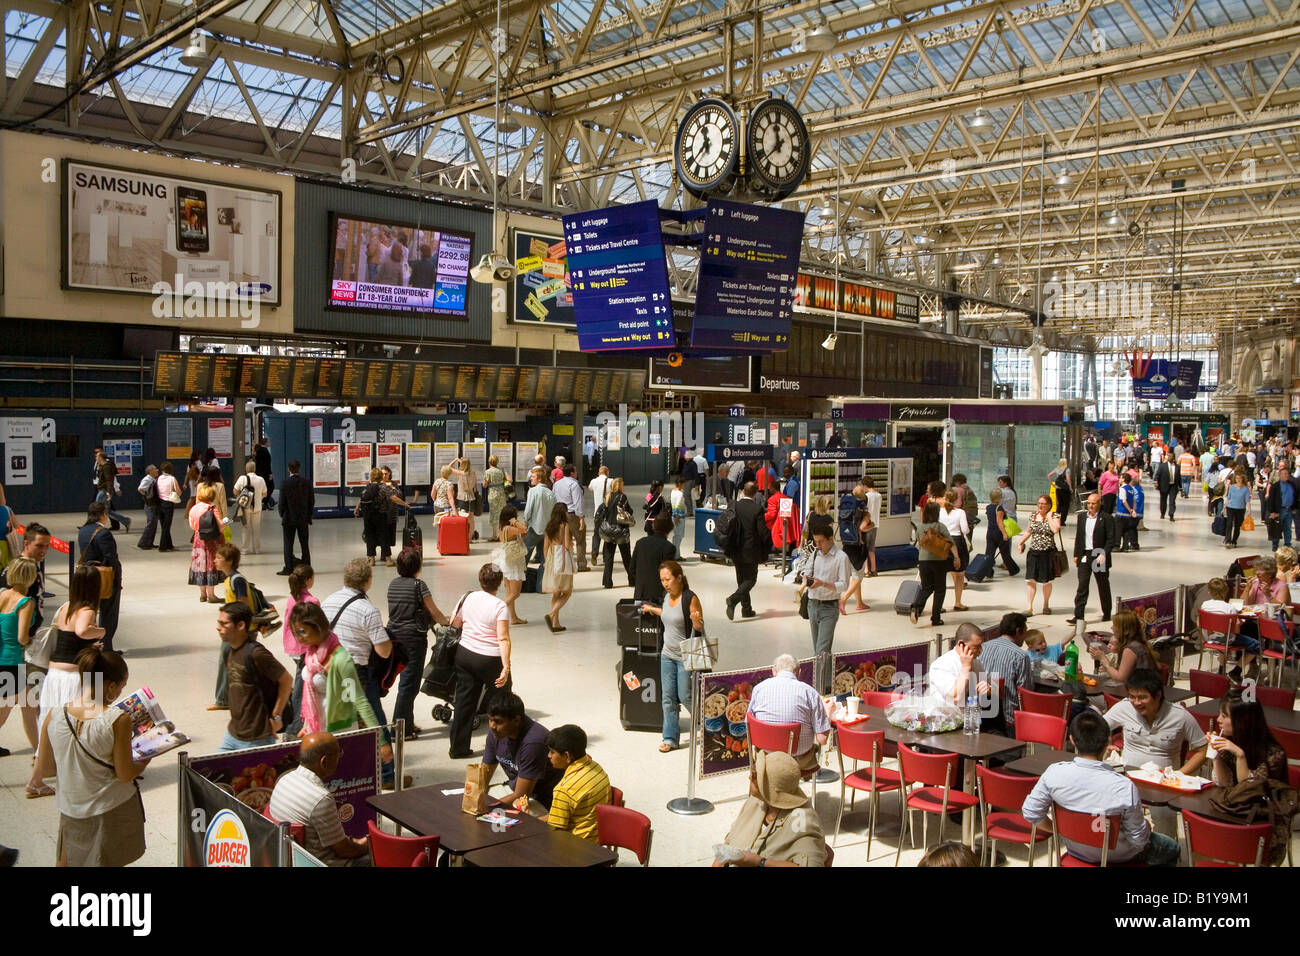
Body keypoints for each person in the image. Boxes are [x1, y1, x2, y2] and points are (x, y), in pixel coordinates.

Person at [1021, 710, 1180, 866]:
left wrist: (1059, 830)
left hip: (1075, 849)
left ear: (1072, 740)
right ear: (1107, 742)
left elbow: (1030, 812)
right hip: (1119, 856)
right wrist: (1146, 827)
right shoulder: (1124, 786)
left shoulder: (1053, 773)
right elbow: (1139, 841)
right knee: (1171, 847)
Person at [37, 647, 148, 866]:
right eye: (122, 686)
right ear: (111, 686)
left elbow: (47, 769)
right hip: (109, 809)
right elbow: (125, 774)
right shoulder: (118, 720)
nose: (121, 692)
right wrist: (145, 759)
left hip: (70, 808)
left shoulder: (55, 714)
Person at [321, 559, 401, 786]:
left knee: (339, 720)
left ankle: (340, 772)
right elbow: (384, 651)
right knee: (373, 716)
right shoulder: (368, 610)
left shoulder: (327, 602)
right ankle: (386, 775)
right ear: (368, 581)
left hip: (330, 669)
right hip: (357, 672)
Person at [27, 566, 105, 799]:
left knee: (48, 726)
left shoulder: (65, 608)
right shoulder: (88, 610)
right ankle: (78, 777)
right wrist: (100, 631)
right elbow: (81, 631)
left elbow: (71, 637)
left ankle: (37, 780)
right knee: (78, 725)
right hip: (73, 677)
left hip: (54, 675)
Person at [268, 731, 372, 866]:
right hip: (316, 862)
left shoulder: (284, 779)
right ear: (324, 761)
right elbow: (344, 850)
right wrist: (368, 848)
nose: (339, 758)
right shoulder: (320, 799)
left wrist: (352, 842)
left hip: (289, 857)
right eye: (338, 754)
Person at [1208, 697, 1289, 865]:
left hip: (1264, 822)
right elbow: (1224, 784)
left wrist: (1240, 756)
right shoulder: (1230, 743)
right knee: (1206, 833)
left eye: (1224, 716)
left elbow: (1249, 791)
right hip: (1233, 812)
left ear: (1242, 721)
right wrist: (1215, 755)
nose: (1218, 720)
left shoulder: (1274, 754)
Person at [286, 602, 381, 739]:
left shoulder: (341, 659)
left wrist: (381, 740)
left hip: (339, 732)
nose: (298, 638)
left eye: (302, 631)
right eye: (295, 633)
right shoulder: (311, 655)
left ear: (317, 626)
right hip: (316, 729)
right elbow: (312, 697)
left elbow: (360, 700)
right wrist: (307, 726)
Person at [714, 751, 825, 867]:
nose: (750, 777)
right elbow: (731, 839)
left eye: (756, 776)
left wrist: (760, 862)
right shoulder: (756, 800)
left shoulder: (803, 822)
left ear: (770, 787)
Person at [448, 563, 513, 759]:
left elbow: (454, 622)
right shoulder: (500, 606)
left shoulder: (467, 597)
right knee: (502, 700)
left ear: (480, 579)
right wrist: (506, 667)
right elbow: (503, 638)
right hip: (489, 659)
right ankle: (503, 745)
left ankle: (458, 748)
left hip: (465, 654)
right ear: (499, 583)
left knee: (464, 702)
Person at [640, 560, 703, 753]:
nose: (665, 583)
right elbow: (667, 614)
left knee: (685, 696)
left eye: (668, 579)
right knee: (667, 698)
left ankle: (709, 725)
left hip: (685, 657)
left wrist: (697, 622)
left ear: (679, 577)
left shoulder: (690, 598)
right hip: (667, 655)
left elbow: (699, 628)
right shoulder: (666, 597)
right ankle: (670, 738)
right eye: (662, 580)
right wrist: (652, 609)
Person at [387, 548, 449, 740]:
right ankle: (399, 730)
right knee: (409, 686)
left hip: (393, 638)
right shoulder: (419, 585)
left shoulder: (393, 584)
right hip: (412, 640)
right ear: (418, 566)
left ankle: (407, 723)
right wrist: (446, 622)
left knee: (406, 684)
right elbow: (434, 612)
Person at [215, 602, 291, 751]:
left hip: (257, 738)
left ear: (241, 625)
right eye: (219, 623)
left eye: (224, 624)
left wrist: (277, 716)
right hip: (232, 733)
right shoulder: (228, 650)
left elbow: (286, 680)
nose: (218, 627)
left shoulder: (256, 653)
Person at [747, 653, 831, 772]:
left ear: (773, 671)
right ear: (798, 673)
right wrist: (828, 715)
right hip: (798, 762)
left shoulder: (758, 689)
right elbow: (822, 739)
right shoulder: (810, 693)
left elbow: (748, 725)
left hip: (766, 759)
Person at [480, 692, 563, 810]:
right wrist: (473, 800)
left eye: (498, 721)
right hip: (514, 789)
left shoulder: (533, 742)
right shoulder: (496, 733)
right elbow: (482, 778)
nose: (492, 726)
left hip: (539, 800)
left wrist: (486, 808)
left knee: (492, 816)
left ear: (516, 720)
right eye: (490, 720)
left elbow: (521, 796)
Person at [541, 724, 610, 843]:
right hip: (598, 842)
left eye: (552, 752)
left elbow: (555, 830)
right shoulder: (596, 767)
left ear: (567, 756)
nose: (549, 756)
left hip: (576, 848)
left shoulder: (565, 789)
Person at [0, 558, 39, 757]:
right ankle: (40, 753)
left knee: (29, 706)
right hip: (12, 661)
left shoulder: (2, 594)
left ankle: (39, 752)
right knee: (4, 711)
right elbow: (22, 637)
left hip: (3, 657)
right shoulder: (26, 602)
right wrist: (33, 639)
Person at [78, 501, 122, 651]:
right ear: (103, 514)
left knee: (89, 612)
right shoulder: (103, 533)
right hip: (104, 579)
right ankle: (106, 647)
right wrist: (116, 580)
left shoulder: (83, 531)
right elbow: (111, 559)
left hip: (87, 576)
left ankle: (93, 645)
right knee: (108, 613)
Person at [977, 612, 1032, 732]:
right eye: (1025, 631)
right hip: (1008, 721)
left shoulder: (981, 648)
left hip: (979, 716)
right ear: (1018, 631)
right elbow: (1025, 693)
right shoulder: (1021, 656)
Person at [281, 564, 317, 737]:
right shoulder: (311, 601)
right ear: (308, 580)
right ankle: (294, 728)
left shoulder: (292, 598)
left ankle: (298, 724)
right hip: (305, 648)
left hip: (293, 646)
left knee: (301, 683)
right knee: (301, 686)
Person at [725, 481, 770, 621]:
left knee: (741, 580)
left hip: (735, 547)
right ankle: (733, 600)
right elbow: (762, 531)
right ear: (755, 493)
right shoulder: (757, 509)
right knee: (750, 579)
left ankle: (746, 609)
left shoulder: (735, 505)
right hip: (750, 549)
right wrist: (769, 542)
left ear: (743, 491)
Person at [1068, 493, 1114, 625]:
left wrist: (1103, 554)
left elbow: (1111, 539)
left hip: (1099, 553)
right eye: (1088, 503)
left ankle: (1106, 612)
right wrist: (1076, 554)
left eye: (1093, 503)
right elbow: (1079, 537)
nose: (1090, 506)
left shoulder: (1106, 518)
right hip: (1085, 554)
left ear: (1100, 503)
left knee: (1102, 585)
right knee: (1082, 585)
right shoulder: (1082, 517)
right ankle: (1078, 615)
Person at [911, 501, 956, 627]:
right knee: (940, 589)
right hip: (939, 560)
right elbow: (950, 542)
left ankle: (916, 606)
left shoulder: (920, 527)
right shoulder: (940, 526)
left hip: (923, 560)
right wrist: (956, 557)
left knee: (926, 587)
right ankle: (936, 618)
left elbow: (920, 541)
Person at [0, 522, 50, 632]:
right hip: (18, 635)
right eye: (39, 546)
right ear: (26, 544)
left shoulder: (32, 568)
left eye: (47, 546)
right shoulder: (18, 571)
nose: (44, 551)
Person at [1085, 610, 1157, 684]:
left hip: (1140, 688)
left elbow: (1120, 678)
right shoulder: (1138, 643)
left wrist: (1102, 658)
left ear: (1122, 629)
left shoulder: (1130, 649)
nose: (1111, 627)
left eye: (1114, 625)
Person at [1017, 495, 1060, 616]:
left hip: (1047, 552)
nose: (1040, 506)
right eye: (1039, 503)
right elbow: (1029, 531)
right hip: (1033, 552)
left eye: (1043, 504)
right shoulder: (1033, 516)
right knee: (1030, 580)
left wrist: (1049, 517)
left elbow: (1055, 529)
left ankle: (1046, 605)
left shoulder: (1055, 516)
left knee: (1046, 581)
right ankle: (1029, 607)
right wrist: (1021, 542)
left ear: (1049, 505)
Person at [928, 623, 990, 705]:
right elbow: (956, 697)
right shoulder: (940, 665)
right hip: (948, 713)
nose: (980, 651)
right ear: (961, 644)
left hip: (973, 712)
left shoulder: (977, 662)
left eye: (980, 646)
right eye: (976, 647)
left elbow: (991, 685)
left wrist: (988, 689)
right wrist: (966, 668)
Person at [355, 467, 402, 567]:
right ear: (380, 476)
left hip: (368, 516)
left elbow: (361, 499)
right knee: (384, 536)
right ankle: (388, 560)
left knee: (370, 537)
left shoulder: (368, 486)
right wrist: (393, 488)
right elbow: (393, 497)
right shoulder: (383, 487)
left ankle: (371, 560)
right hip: (380, 515)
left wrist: (357, 508)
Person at [542, 503, 576, 632]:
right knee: (567, 591)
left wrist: (547, 561)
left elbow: (545, 547)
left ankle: (555, 623)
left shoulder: (549, 526)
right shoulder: (565, 525)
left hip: (552, 558)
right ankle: (551, 614)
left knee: (556, 592)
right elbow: (566, 545)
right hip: (562, 559)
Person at [837, 484, 871, 612]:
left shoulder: (847, 510)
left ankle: (860, 603)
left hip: (847, 544)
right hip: (858, 547)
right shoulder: (864, 513)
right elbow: (862, 528)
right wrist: (871, 525)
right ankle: (843, 599)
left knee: (855, 574)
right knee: (858, 577)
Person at [188, 485, 224, 603]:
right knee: (210, 565)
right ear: (212, 496)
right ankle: (211, 595)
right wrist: (227, 521)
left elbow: (192, 526)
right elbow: (220, 526)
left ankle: (202, 595)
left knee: (201, 565)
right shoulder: (212, 509)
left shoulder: (193, 509)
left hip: (198, 539)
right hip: (211, 540)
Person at [277, 459, 314, 575]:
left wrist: (282, 514)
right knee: (304, 543)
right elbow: (311, 501)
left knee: (288, 544)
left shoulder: (285, 483)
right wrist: (308, 515)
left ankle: (288, 568)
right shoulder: (307, 483)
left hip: (289, 518)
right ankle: (307, 566)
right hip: (303, 518)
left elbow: (281, 502)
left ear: (289, 469)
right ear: (299, 469)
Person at [632, 512, 677, 603]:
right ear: (670, 528)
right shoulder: (669, 548)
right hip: (659, 596)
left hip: (640, 594)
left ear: (654, 526)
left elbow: (632, 568)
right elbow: (669, 574)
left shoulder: (640, 543)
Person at [598, 477, 634, 589]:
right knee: (626, 557)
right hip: (620, 530)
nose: (624, 486)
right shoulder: (622, 497)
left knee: (609, 557)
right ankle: (632, 580)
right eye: (622, 484)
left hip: (609, 530)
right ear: (618, 486)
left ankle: (607, 582)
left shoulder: (607, 497)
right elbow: (629, 511)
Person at [552, 464, 589, 572]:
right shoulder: (574, 484)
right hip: (572, 515)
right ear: (572, 473)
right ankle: (581, 565)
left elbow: (554, 498)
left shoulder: (557, 484)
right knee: (580, 540)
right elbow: (578, 502)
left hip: (560, 514)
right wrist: (581, 517)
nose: (577, 473)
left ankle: (565, 564)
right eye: (575, 471)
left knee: (564, 540)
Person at [940, 489, 971, 612]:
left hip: (942, 542)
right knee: (959, 574)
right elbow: (965, 530)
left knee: (941, 574)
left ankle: (939, 604)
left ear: (944, 498)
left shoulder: (939, 511)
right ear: (956, 499)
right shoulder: (960, 512)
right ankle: (958, 602)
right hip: (957, 541)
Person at [232, 461, 267, 555]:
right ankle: (257, 549)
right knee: (256, 528)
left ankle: (245, 549)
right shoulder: (261, 479)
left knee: (245, 528)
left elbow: (235, 491)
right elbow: (265, 493)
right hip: (257, 507)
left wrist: (242, 495)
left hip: (245, 507)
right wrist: (258, 497)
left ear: (246, 469)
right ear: (255, 469)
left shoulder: (242, 478)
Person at [522, 465, 554, 565]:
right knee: (544, 558)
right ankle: (542, 575)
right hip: (547, 529)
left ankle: (521, 574)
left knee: (524, 555)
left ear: (539, 479)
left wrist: (525, 523)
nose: (530, 478)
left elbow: (528, 511)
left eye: (533, 476)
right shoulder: (550, 493)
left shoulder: (533, 491)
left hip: (534, 528)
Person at [92, 448, 130, 534]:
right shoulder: (101, 466)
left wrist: (109, 492)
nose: (95, 457)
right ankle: (125, 520)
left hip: (104, 491)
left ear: (101, 457)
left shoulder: (107, 467)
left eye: (97, 456)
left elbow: (109, 480)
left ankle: (96, 527)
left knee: (97, 508)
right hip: (102, 489)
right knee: (106, 511)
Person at [983, 487, 1019, 576]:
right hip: (998, 533)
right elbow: (999, 522)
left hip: (990, 532)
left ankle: (987, 571)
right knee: (1005, 553)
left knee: (989, 553)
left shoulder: (988, 507)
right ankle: (1013, 569)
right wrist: (1004, 534)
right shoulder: (999, 508)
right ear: (999, 498)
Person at [1265, 463, 1298, 549]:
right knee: (1277, 528)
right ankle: (1275, 545)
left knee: (1288, 528)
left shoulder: (1292, 485)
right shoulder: (1275, 486)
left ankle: (1287, 544)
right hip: (1279, 510)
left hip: (1289, 509)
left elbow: (1295, 496)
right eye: (1284, 474)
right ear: (1280, 475)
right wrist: (1272, 512)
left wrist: (1294, 508)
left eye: (1287, 474)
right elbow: (1271, 500)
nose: (1286, 475)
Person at [587, 465, 611, 564]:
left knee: (597, 534)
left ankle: (594, 552)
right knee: (608, 534)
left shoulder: (594, 481)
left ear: (599, 473)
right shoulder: (611, 481)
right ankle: (606, 556)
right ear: (607, 473)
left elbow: (589, 488)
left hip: (597, 512)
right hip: (608, 512)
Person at [482, 455, 509, 541]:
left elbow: (485, 485)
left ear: (489, 462)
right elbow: (509, 479)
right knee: (501, 513)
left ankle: (494, 535)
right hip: (501, 493)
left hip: (492, 494)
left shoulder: (488, 472)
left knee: (494, 514)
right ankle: (501, 534)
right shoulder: (501, 470)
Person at [1222, 469, 1251, 549]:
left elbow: (1247, 500)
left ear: (1242, 479)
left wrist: (1249, 510)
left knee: (1237, 525)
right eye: (1237, 478)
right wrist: (1224, 508)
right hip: (1230, 507)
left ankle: (1234, 541)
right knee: (1229, 524)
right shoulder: (1231, 487)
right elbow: (1228, 498)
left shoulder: (1245, 489)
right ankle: (1228, 540)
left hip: (1240, 509)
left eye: (1240, 478)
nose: (1238, 480)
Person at [155, 462, 180, 551]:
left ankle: (169, 545)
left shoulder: (158, 478)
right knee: (166, 526)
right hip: (168, 503)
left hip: (159, 503)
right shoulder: (172, 479)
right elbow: (178, 491)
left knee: (164, 525)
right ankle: (162, 546)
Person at [135, 464, 161, 549]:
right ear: (150, 471)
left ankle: (149, 543)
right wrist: (147, 496)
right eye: (155, 469)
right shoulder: (147, 479)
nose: (157, 470)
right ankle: (142, 542)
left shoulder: (153, 479)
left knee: (154, 524)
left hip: (154, 504)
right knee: (151, 523)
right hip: (150, 505)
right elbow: (140, 489)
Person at [862, 476, 882, 577]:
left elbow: (864, 510)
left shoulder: (867, 496)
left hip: (866, 524)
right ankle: (874, 569)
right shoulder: (879, 495)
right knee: (871, 548)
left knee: (865, 547)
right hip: (875, 524)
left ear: (865, 485)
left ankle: (866, 570)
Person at [669, 475, 689, 556]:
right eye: (684, 484)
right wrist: (677, 516)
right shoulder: (680, 493)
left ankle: (676, 553)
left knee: (676, 536)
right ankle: (676, 555)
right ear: (680, 484)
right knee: (679, 536)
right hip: (679, 517)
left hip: (674, 516)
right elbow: (677, 505)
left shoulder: (673, 491)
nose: (684, 485)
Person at [1049, 458, 1073, 525]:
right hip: (1065, 490)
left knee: (1060, 504)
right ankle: (1062, 521)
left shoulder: (1057, 469)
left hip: (1058, 490)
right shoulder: (1067, 470)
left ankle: (1055, 519)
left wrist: (1052, 484)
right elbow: (1068, 479)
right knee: (1065, 505)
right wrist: (1070, 487)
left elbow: (1049, 475)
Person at [1153, 455, 1178, 521]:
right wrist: (1156, 482)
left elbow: (1179, 477)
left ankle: (1171, 515)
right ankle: (1162, 513)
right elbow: (1157, 474)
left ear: (1174, 458)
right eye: (1169, 456)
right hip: (1164, 485)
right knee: (1163, 500)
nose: (1170, 458)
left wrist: (1180, 487)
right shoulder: (1162, 466)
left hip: (1173, 486)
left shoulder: (1177, 467)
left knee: (1172, 501)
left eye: (1171, 457)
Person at [254, 436, 274, 508]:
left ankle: (264, 501)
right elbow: (267, 464)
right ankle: (265, 502)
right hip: (265, 473)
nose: (269, 443)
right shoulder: (265, 451)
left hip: (259, 472)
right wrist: (270, 473)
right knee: (271, 487)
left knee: (262, 487)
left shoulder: (259, 450)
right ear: (266, 443)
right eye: (268, 442)